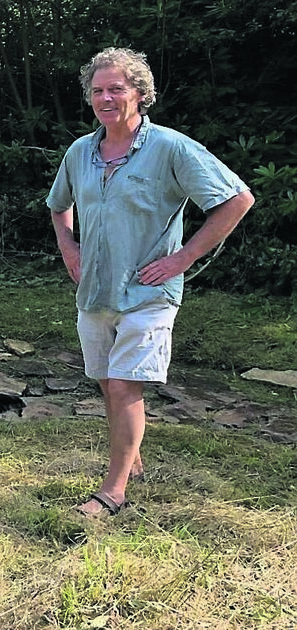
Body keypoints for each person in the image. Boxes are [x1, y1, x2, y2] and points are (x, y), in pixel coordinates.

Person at [47, 48, 254, 517]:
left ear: (140, 93)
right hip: (95, 290)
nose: (105, 97)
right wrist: (70, 248)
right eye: (97, 90)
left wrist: (184, 257)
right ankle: (131, 458)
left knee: (124, 387)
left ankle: (113, 491)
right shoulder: (81, 151)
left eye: (116, 88)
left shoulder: (170, 148)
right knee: (106, 381)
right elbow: (59, 206)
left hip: (148, 291)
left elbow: (237, 199)